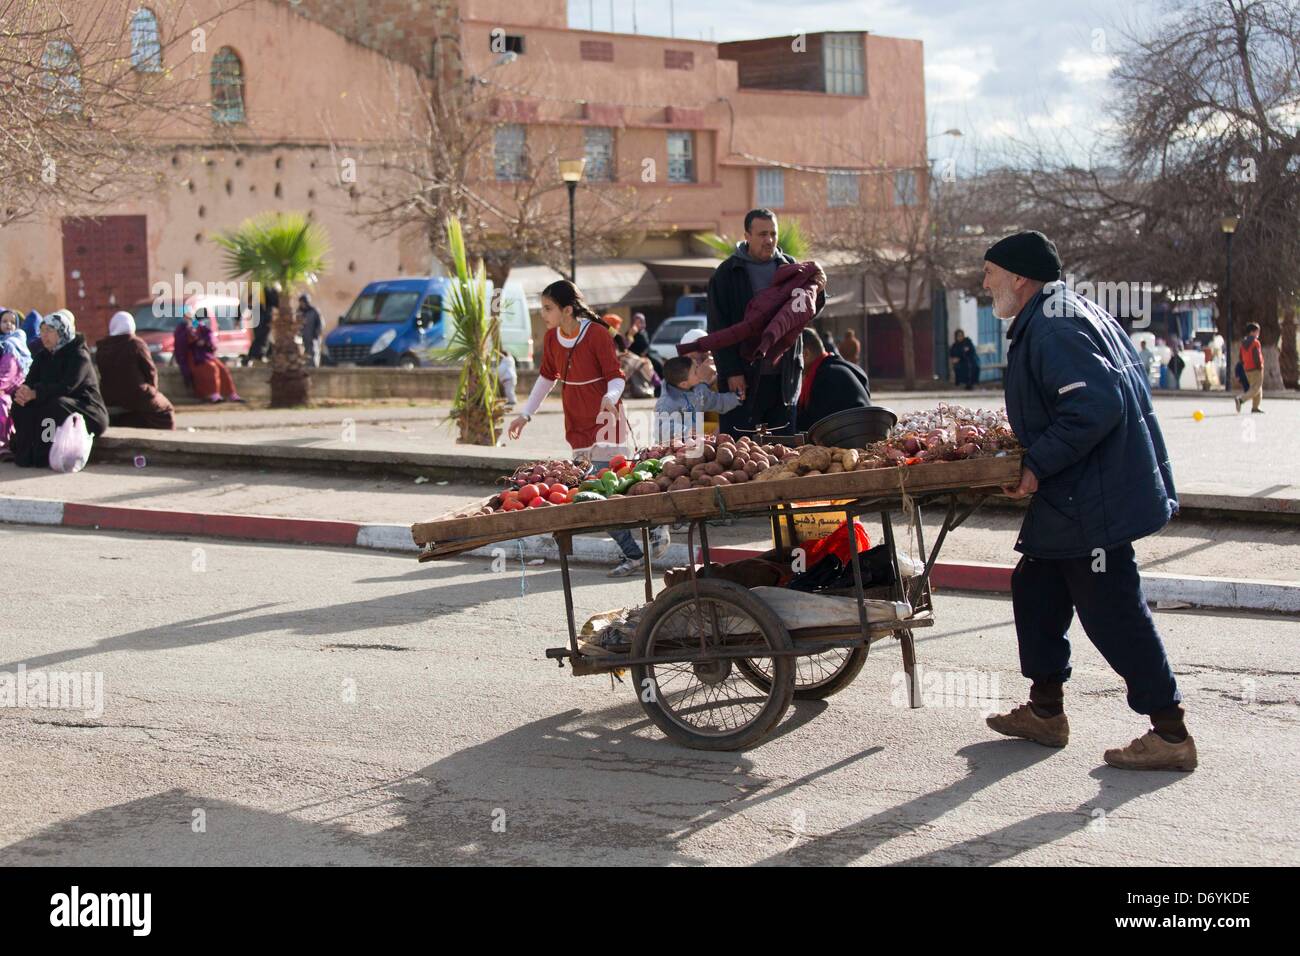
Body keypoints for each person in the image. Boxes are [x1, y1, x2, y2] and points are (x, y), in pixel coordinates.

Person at [981, 230, 1195, 772]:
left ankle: (1170, 732)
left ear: (1020, 278)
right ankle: (1045, 711)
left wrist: (1034, 465)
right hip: (1079, 490)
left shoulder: (1054, 328)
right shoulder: (1064, 312)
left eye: (991, 274)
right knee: (1035, 586)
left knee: (1111, 607)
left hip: (1089, 496)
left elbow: (1092, 409)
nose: (985, 285)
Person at [508, 280, 668, 577]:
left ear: (567, 310)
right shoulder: (553, 338)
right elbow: (546, 378)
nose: (543, 314)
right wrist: (524, 415)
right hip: (577, 423)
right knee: (597, 493)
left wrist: (609, 399)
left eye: (548, 308)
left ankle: (656, 527)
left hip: (607, 421)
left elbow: (616, 376)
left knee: (605, 489)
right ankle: (635, 553)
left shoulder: (595, 334)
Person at [706, 208, 825, 438]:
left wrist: (818, 291)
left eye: (773, 234)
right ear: (747, 236)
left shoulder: (792, 267)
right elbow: (717, 328)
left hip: (784, 377)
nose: (769, 240)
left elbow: (806, 313)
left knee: (784, 446)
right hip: (744, 378)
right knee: (740, 449)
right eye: (762, 234)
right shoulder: (727, 274)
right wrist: (731, 371)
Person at [9, 310, 110, 468]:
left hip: (87, 410)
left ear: (62, 331)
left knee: (55, 405)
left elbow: (68, 387)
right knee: (20, 405)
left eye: (49, 331)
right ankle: (26, 454)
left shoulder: (78, 355)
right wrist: (23, 392)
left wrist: (36, 393)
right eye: (42, 331)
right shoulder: (43, 356)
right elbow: (29, 381)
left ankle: (45, 455)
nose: (44, 335)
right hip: (53, 401)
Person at [94, 311, 176, 429]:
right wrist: (153, 390)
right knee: (166, 409)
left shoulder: (103, 347)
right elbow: (150, 370)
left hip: (109, 397)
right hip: (137, 394)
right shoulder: (135, 343)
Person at [655, 355, 741, 444]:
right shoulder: (667, 402)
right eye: (695, 371)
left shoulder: (697, 391)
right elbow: (662, 427)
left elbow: (714, 401)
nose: (700, 371)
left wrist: (736, 398)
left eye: (697, 366)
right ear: (684, 384)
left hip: (694, 442)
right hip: (673, 447)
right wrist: (686, 430)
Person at [797, 328, 872, 429]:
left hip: (846, 439)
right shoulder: (855, 369)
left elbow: (811, 426)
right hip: (869, 434)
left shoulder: (824, 377)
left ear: (806, 354)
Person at [173, 309, 243, 403]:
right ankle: (213, 394)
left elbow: (209, 336)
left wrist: (205, 342)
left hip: (205, 354)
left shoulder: (198, 325)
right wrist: (192, 338)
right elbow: (181, 345)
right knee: (210, 368)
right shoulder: (181, 328)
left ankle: (231, 394)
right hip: (193, 357)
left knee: (222, 369)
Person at [0, 309, 32, 454]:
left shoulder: (12, 345)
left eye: (12, 322)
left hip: (13, 391)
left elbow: (8, 375)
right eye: (4, 321)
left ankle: (3, 443)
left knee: (2, 402)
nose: (8, 325)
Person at [1235, 322, 1264, 414]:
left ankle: (1255, 407)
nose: (1258, 333)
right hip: (1256, 368)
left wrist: (1244, 364)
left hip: (1247, 368)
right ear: (1252, 332)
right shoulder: (1256, 343)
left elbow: (1240, 356)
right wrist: (1259, 366)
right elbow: (1257, 356)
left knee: (1257, 387)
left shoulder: (1243, 343)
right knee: (1255, 388)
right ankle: (1241, 399)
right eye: (1257, 331)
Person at [298, 293, 324, 368]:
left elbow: (320, 324)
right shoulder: (299, 312)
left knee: (313, 352)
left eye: (303, 302)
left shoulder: (314, 311)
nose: (301, 304)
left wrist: (316, 334)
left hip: (313, 337)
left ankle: (314, 367)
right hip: (303, 337)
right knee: (304, 353)